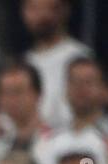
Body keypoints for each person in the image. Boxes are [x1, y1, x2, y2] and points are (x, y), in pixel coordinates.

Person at [22, 0, 91, 132]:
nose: (42, 15)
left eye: (49, 8)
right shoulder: (25, 62)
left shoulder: (79, 56)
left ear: (64, 11)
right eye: (34, 8)